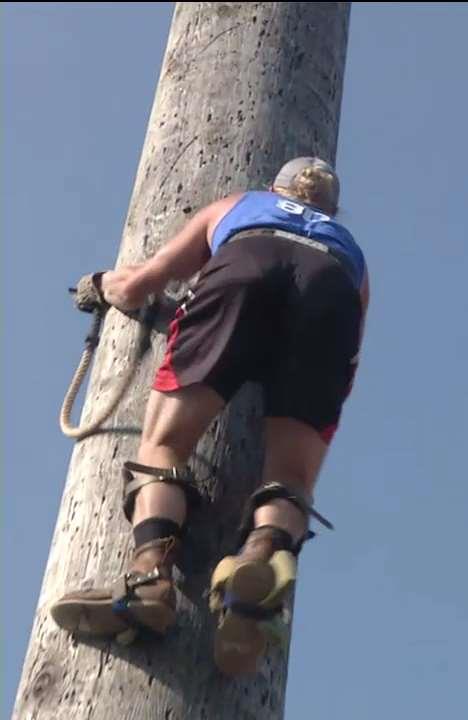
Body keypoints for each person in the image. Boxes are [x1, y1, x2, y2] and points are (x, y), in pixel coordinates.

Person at [54, 157, 370, 674]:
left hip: (246, 264)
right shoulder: (351, 251)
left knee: (165, 444)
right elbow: (352, 345)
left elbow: (141, 284)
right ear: (332, 208)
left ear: (277, 189)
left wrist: (102, 283)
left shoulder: (240, 205)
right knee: (290, 478)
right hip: (330, 295)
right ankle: (258, 560)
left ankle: (149, 578)